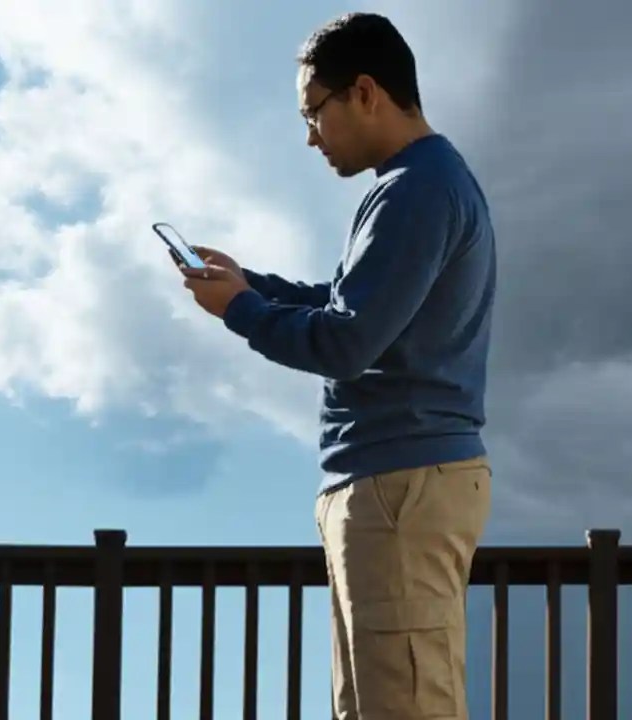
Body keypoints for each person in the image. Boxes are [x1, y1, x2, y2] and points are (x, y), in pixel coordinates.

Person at [179, 12, 496, 720]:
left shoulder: (416, 191)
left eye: (313, 112)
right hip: (394, 480)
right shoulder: (418, 183)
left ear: (364, 92)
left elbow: (348, 342)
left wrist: (240, 312)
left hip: (399, 481)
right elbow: (351, 303)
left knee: (405, 706)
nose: (310, 136)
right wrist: (252, 286)